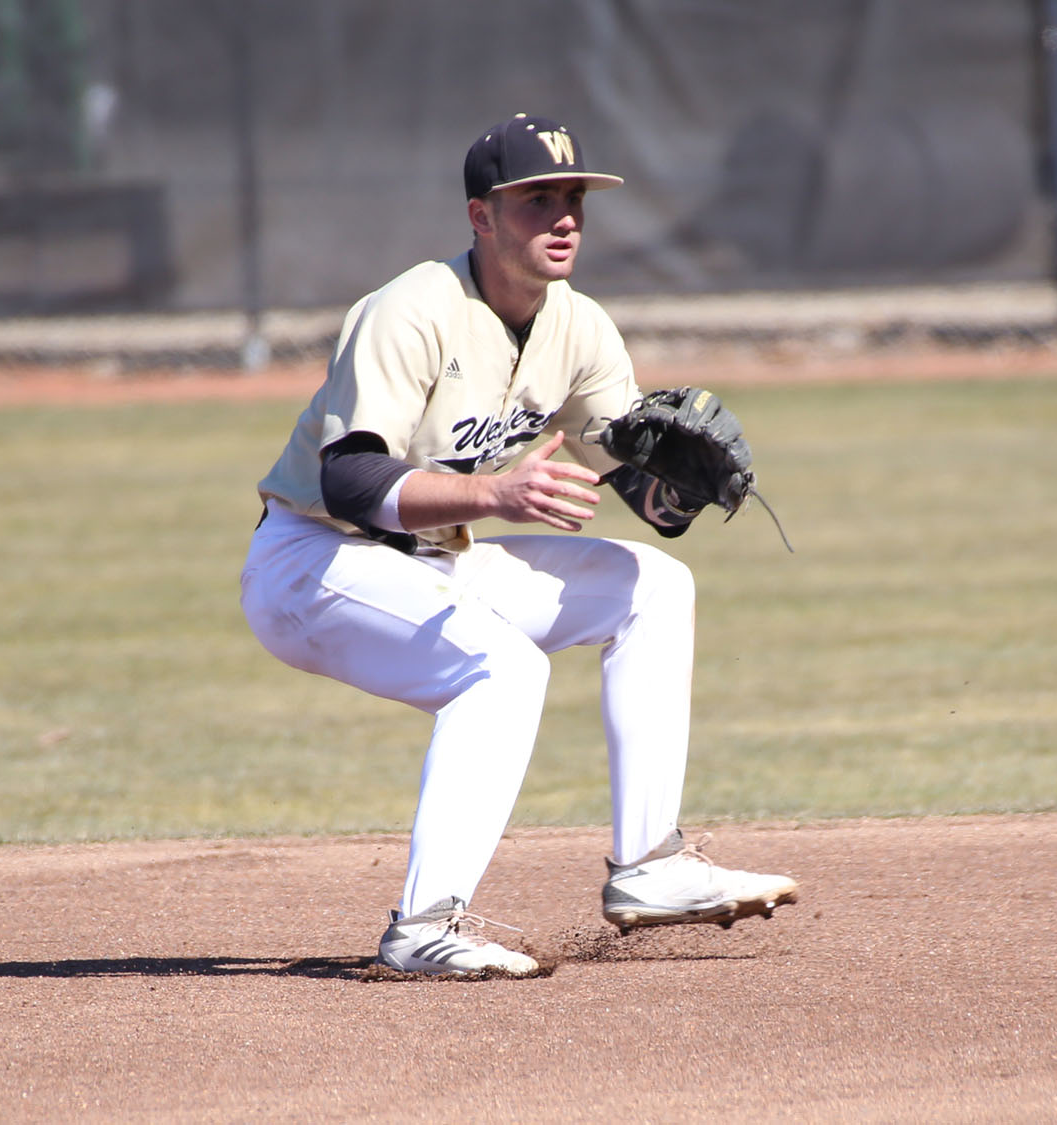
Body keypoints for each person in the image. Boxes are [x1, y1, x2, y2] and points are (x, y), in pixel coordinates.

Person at [239, 114, 798, 976]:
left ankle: (647, 864)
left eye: (574, 197)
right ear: (482, 216)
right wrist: (494, 494)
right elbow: (351, 480)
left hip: (436, 561)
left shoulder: (579, 328)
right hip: (313, 563)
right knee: (503, 667)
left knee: (653, 583)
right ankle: (425, 925)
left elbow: (640, 490)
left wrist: (675, 488)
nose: (565, 216)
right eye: (538, 199)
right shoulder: (408, 312)